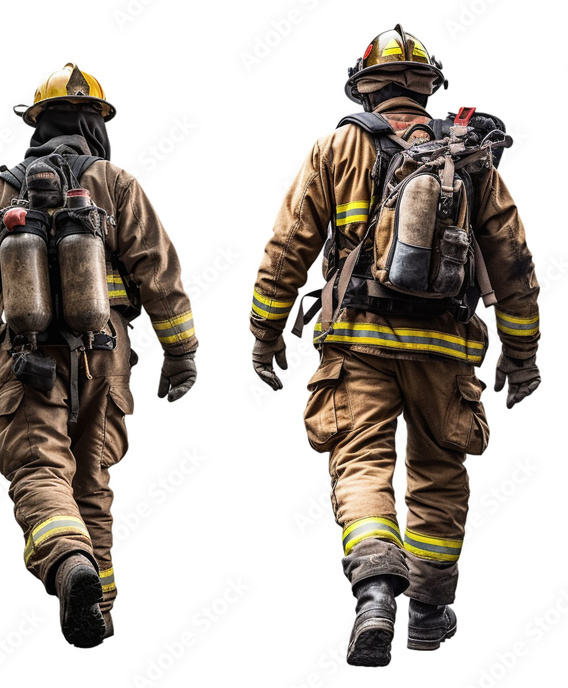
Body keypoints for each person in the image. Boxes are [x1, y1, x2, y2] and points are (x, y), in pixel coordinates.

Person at [249, 25, 541, 667]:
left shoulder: (337, 148)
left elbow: (288, 247)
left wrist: (265, 334)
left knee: (361, 466)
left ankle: (376, 594)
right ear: (428, 86)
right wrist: (521, 358)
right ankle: (429, 611)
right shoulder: (468, 155)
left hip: (358, 344)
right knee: (439, 476)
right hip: (445, 350)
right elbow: (514, 264)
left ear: (364, 87)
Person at [0, 63, 198, 648]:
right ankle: (99, 606)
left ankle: (69, 565)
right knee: (91, 481)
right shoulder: (116, 184)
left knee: (40, 468)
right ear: (96, 124)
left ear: (38, 124)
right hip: (104, 354)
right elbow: (159, 273)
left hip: (27, 357)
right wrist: (180, 352)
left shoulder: (0, 193)